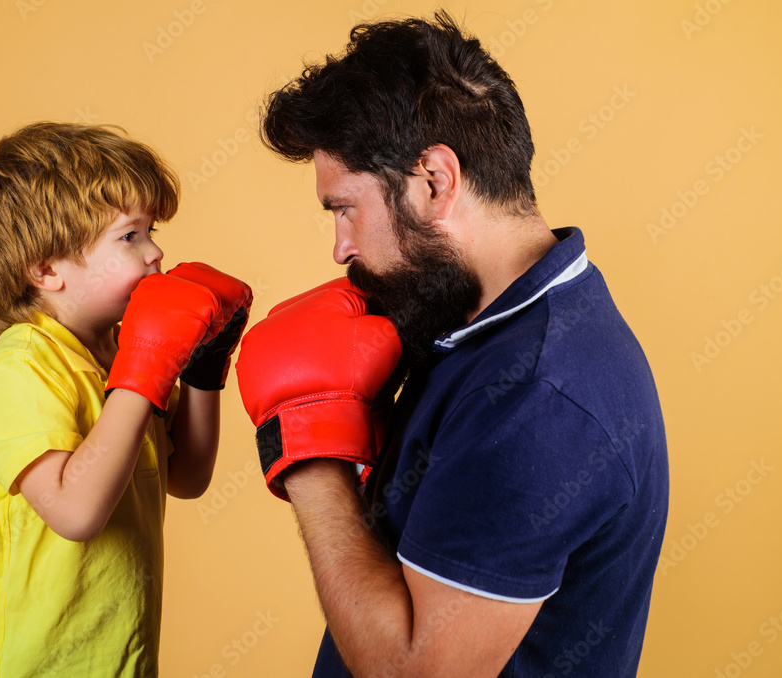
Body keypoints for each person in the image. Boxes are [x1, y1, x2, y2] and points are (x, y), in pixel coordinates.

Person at [236, 11, 668, 677]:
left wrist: (308, 453)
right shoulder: (477, 325)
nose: (340, 248)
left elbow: (414, 671)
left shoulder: (535, 396)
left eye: (345, 207)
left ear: (435, 181)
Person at [0, 122, 251, 677]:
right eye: (129, 236)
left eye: (151, 230)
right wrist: (145, 369)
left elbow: (187, 474)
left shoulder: (118, 350)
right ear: (45, 269)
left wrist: (204, 366)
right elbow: (77, 511)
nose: (156, 251)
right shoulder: (22, 366)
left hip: (118, 661)